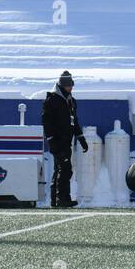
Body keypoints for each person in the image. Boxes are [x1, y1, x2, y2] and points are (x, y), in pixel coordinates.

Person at [41, 71, 87, 208]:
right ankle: (62, 199)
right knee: (65, 169)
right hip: (58, 141)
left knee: (60, 169)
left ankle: (56, 200)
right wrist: (51, 141)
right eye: (68, 86)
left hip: (67, 141)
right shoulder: (52, 100)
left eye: (71, 85)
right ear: (61, 86)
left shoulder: (71, 101)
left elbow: (74, 121)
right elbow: (46, 122)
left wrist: (81, 137)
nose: (71, 88)